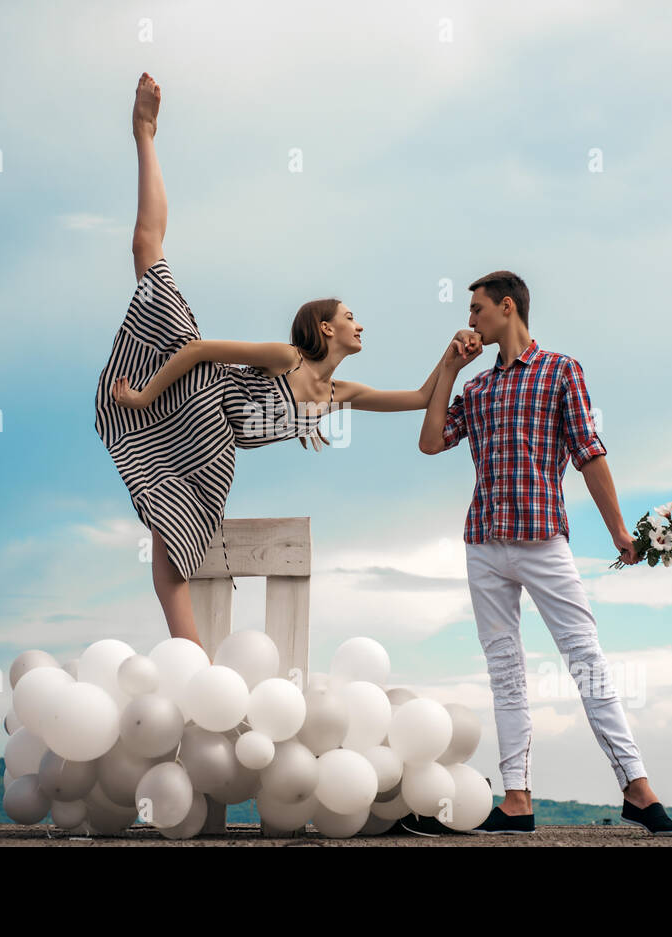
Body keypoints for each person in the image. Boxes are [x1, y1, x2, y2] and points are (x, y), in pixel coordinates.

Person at [94, 73, 481, 654]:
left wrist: (452, 361)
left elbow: (419, 400)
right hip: (191, 388)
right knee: (147, 252)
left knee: (176, 542)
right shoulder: (286, 358)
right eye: (351, 315)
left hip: (212, 446)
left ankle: (192, 668)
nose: (360, 323)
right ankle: (145, 134)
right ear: (327, 328)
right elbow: (198, 351)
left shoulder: (338, 394)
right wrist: (146, 396)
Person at [415, 270, 672, 837]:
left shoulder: (561, 370)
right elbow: (430, 439)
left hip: (544, 540)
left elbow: (589, 451)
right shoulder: (478, 389)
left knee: (586, 660)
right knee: (505, 672)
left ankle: (637, 789)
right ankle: (517, 800)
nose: (469, 321)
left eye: (476, 310)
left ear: (507, 307)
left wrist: (618, 529)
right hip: (485, 545)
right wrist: (449, 367)